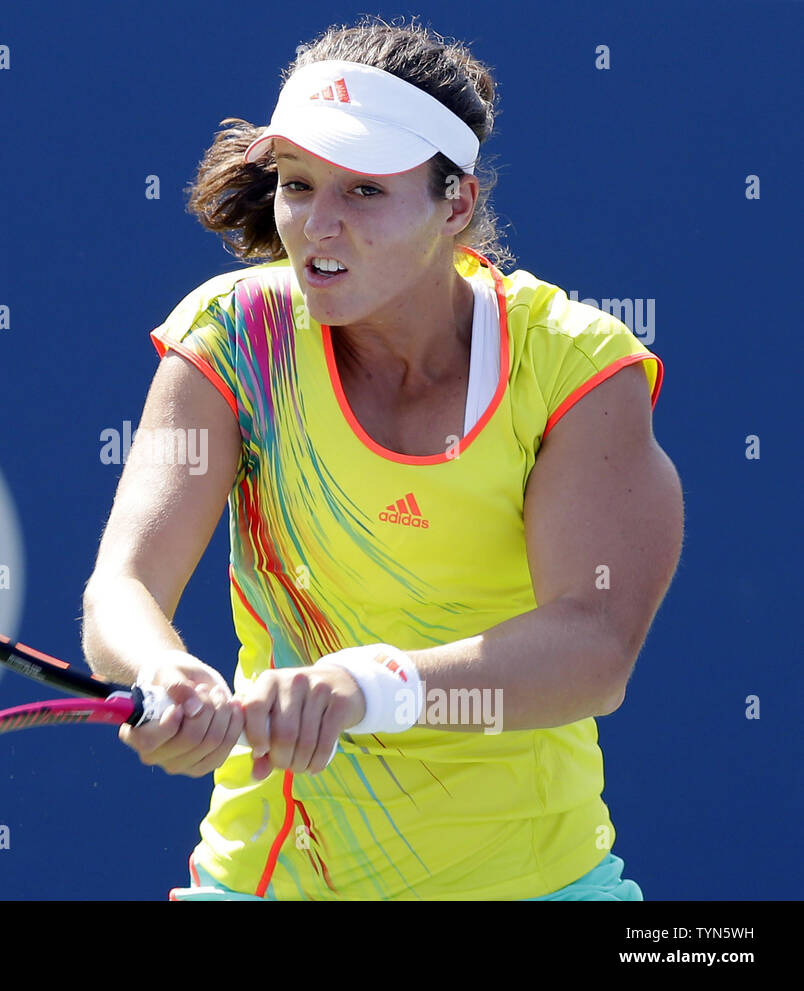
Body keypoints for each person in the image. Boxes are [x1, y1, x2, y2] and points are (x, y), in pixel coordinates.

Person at [81, 16, 683, 900]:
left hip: (535, 882)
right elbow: (122, 587)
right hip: (270, 879)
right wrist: (159, 668)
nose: (316, 225)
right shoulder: (234, 340)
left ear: (457, 203)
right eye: (296, 185)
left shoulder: (572, 369)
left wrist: (371, 685)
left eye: (364, 191)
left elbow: (594, 648)